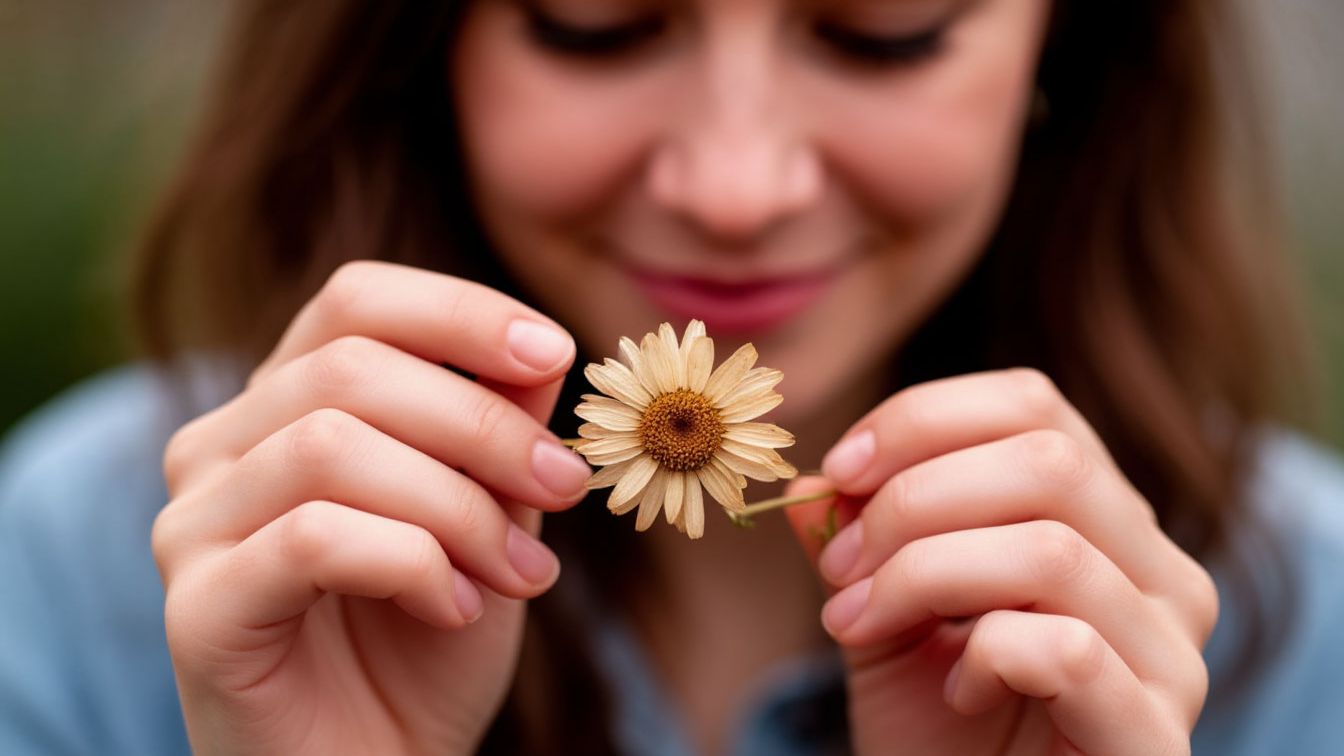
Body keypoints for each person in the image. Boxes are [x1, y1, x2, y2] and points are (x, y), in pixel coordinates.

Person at [2, 0, 1342, 753]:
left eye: (883, 29)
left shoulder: (1303, 629)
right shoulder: (93, 568)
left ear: (1072, 44)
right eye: (597, 22)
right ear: (418, 41)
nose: (736, 188)